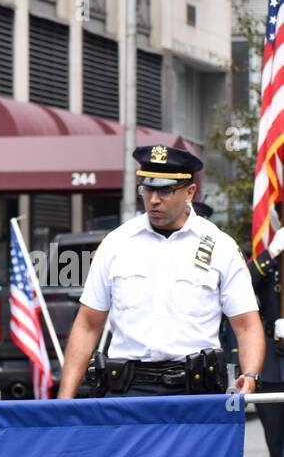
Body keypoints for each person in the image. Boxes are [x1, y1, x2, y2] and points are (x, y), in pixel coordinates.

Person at [57, 145, 265, 399]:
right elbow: (88, 325)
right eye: (147, 188)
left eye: (165, 190)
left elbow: (246, 326)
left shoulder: (220, 247)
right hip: (127, 390)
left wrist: (251, 375)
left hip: (195, 391)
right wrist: (64, 400)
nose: (154, 200)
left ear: (190, 191)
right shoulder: (116, 243)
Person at [248, 231, 284, 457]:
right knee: (276, 441)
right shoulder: (270, 265)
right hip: (273, 366)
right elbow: (243, 284)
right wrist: (270, 253)